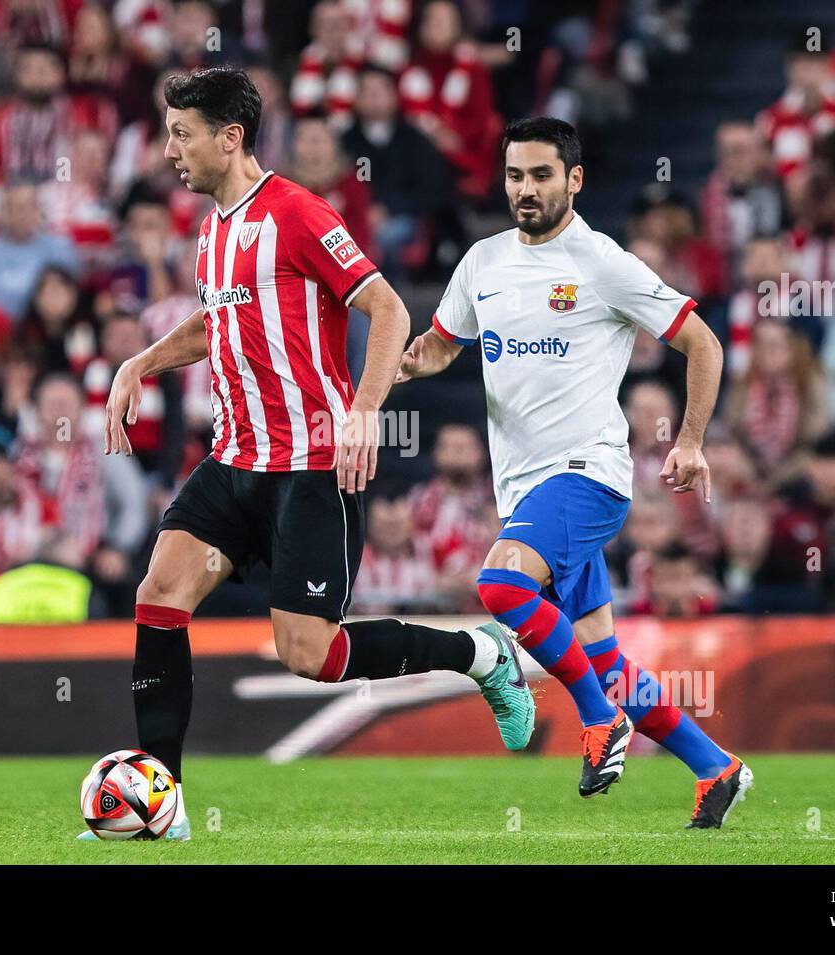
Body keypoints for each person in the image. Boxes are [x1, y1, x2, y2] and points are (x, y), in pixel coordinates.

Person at [100, 67, 532, 842]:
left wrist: (364, 412)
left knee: (311, 653)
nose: (169, 151)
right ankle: (162, 805)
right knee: (158, 595)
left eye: (182, 135)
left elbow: (388, 309)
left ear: (229, 138)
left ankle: (479, 652)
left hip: (309, 466)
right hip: (235, 459)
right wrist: (143, 361)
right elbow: (217, 322)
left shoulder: (297, 213)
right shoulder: (214, 229)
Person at [394, 117, 750, 828]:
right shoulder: (483, 262)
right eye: (514, 175)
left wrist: (690, 441)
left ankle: (598, 719)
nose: (525, 189)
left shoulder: (602, 262)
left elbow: (703, 343)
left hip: (588, 475)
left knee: (501, 583)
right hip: (525, 490)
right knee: (605, 658)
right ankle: (716, 767)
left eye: (541, 175)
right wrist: (407, 362)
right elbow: (442, 344)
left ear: (574, 179)